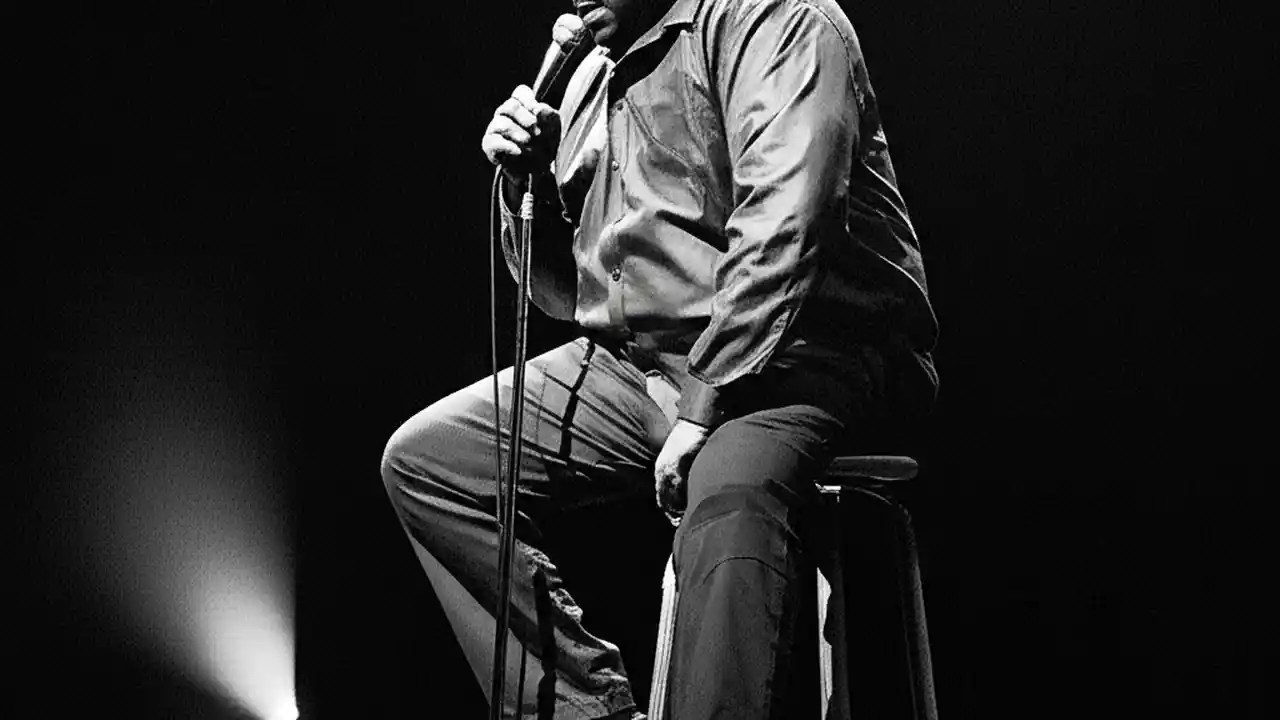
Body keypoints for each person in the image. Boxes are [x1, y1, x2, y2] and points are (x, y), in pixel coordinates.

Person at [379, 0, 939, 717]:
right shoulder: (591, 78)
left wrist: (704, 406)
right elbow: (562, 292)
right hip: (644, 365)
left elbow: (788, 228)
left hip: (806, 351)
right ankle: (591, 712)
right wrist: (528, 186)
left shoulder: (774, 18)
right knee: (429, 464)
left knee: (729, 488)